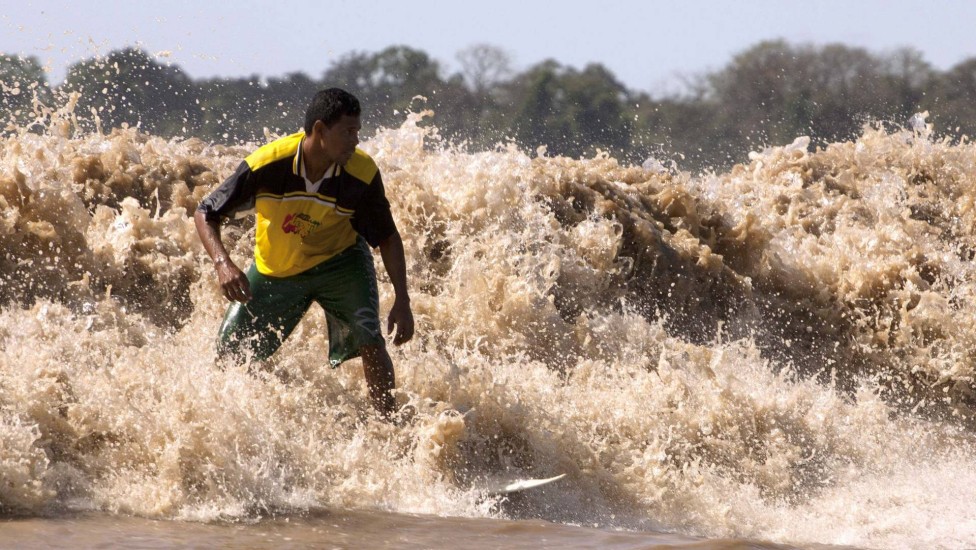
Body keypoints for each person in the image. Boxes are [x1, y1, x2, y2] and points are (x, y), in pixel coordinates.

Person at [194, 88, 413, 420]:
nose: (356, 140)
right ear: (321, 131)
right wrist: (223, 263)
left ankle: (390, 428)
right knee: (229, 354)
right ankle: (238, 426)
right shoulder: (267, 165)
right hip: (276, 271)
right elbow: (205, 212)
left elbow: (387, 237)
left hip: (341, 263)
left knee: (370, 339)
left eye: (358, 131)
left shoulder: (361, 174)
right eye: (348, 132)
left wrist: (402, 298)